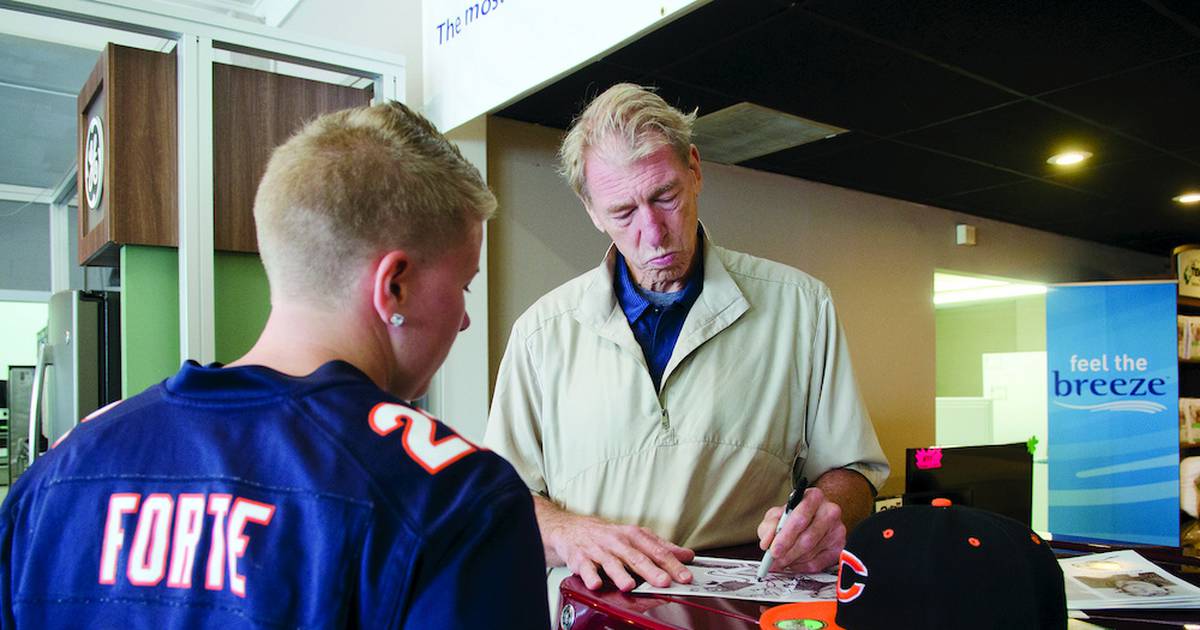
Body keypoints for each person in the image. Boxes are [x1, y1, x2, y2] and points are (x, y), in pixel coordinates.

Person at [0, 102, 549, 628]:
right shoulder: (457, 499)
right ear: (395, 286)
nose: (464, 321)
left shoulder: (62, 472)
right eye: (463, 286)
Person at [485, 83, 889, 593]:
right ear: (590, 210)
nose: (652, 233)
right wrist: (567, 531)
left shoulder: (802, 306)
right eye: (622, 213)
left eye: (665, 196)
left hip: (745, 609)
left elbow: (852, 471)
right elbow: (500, 503)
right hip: (596, 612)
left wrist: (829, 513)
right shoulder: (540, 336)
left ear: (695, 169)